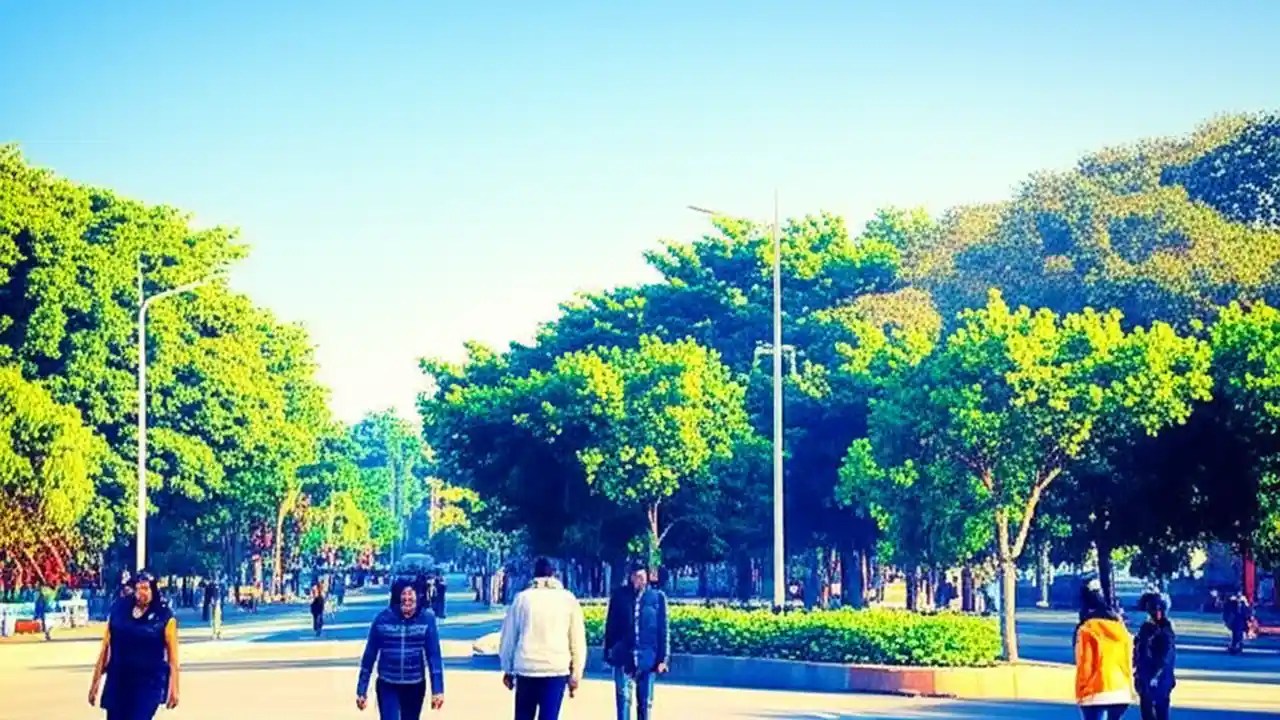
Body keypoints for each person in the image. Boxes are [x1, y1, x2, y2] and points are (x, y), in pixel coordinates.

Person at [498, 557, 587, 720]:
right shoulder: (568, 600)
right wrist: (576, 674)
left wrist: (507, 669)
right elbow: (577, 640)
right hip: (556, 670)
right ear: (554, 575)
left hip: (527, 669)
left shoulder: (522, 599)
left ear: (534, 575)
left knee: (523, 716)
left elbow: (509, 637)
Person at [88, 570, 181, 720]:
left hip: (148, 684)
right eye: (137, 588)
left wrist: (174, 688)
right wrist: (95, 683)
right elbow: (106, 649)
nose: (140, 593)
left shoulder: (164, 617)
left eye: (145, 588)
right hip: (119, 681)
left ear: (153, 590)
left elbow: (173, 658)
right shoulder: (119, 611)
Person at [356, 579, 445, 718]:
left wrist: (438, 690)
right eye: (404, 596)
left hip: (414, 685)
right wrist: (362, 689)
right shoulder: (382, 619)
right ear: (397, 598)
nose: (407, 601)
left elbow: (434, 656)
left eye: (411, 597)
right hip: (388, 684)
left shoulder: (426, 619)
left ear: (418, 598)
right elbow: (369, 655)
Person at [604, 562, 670, 720]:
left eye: (641, 576)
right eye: (635, 576)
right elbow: (610, 626)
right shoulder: (620, 596)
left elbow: (663, 630)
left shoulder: (657, 598)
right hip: (624, 656)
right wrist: (608, 652)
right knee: (624, 700)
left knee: (645, 703)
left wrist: (663, 659)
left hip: (648, 656)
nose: (638, 580)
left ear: (647, 577)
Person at [1075, 579, 1134, 720]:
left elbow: (1086, 664)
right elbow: (1128, 659)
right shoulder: (1120, 628)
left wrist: (1081, 691)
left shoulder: (1087, 629)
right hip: (1120, 690)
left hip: (1096, 690)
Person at [1134, 593, 1176, 720]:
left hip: (1159, 678)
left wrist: (1155, 676)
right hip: (1146, 677)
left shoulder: (1164, 630)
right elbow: (1139, 651)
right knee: (1147, 711)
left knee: (1159, 711)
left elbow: (1165, 657)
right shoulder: (1146, 628)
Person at [1224, 589, 1253, 654]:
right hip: (1236, 619)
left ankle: (1236, 647)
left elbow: (1246, 610)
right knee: (1236, 634)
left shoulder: (1242, 600)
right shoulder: (1234, 600)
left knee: (1238, 634)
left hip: (1240, 619)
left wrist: (1248, 617)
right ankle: (1235, 647)